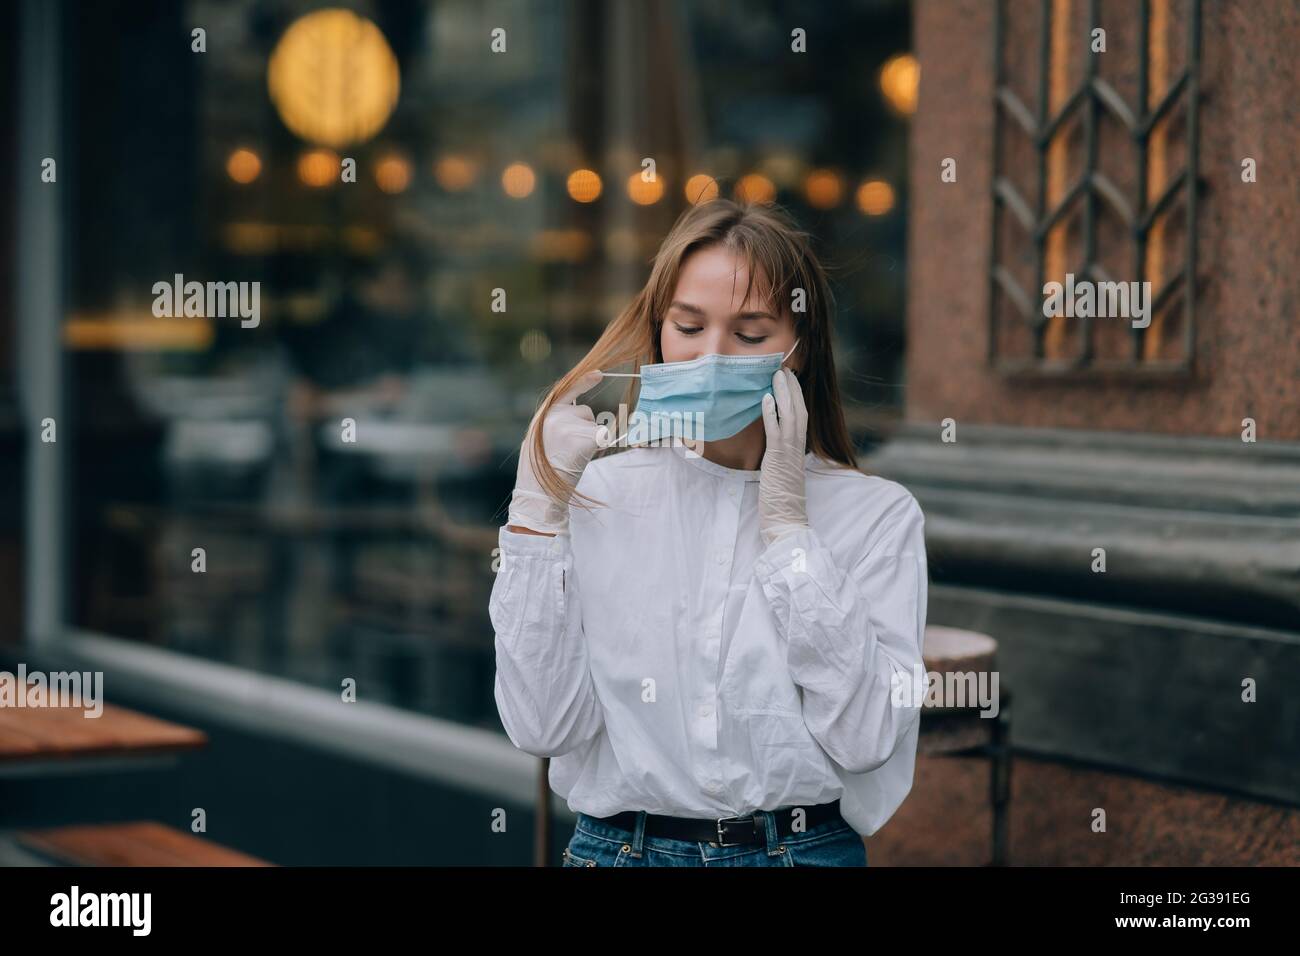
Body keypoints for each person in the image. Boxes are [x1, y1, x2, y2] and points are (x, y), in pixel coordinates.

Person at [490, 199, 928, 867]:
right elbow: (542, 725)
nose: (712, 356)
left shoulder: (877, 516)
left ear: (798, 347)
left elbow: (867, 736)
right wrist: (537, 508)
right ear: (658, 330)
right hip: (619, 852)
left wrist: (789, 534)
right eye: (688, 327)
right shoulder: (599, 495)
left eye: (750, 335)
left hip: (800, 852)